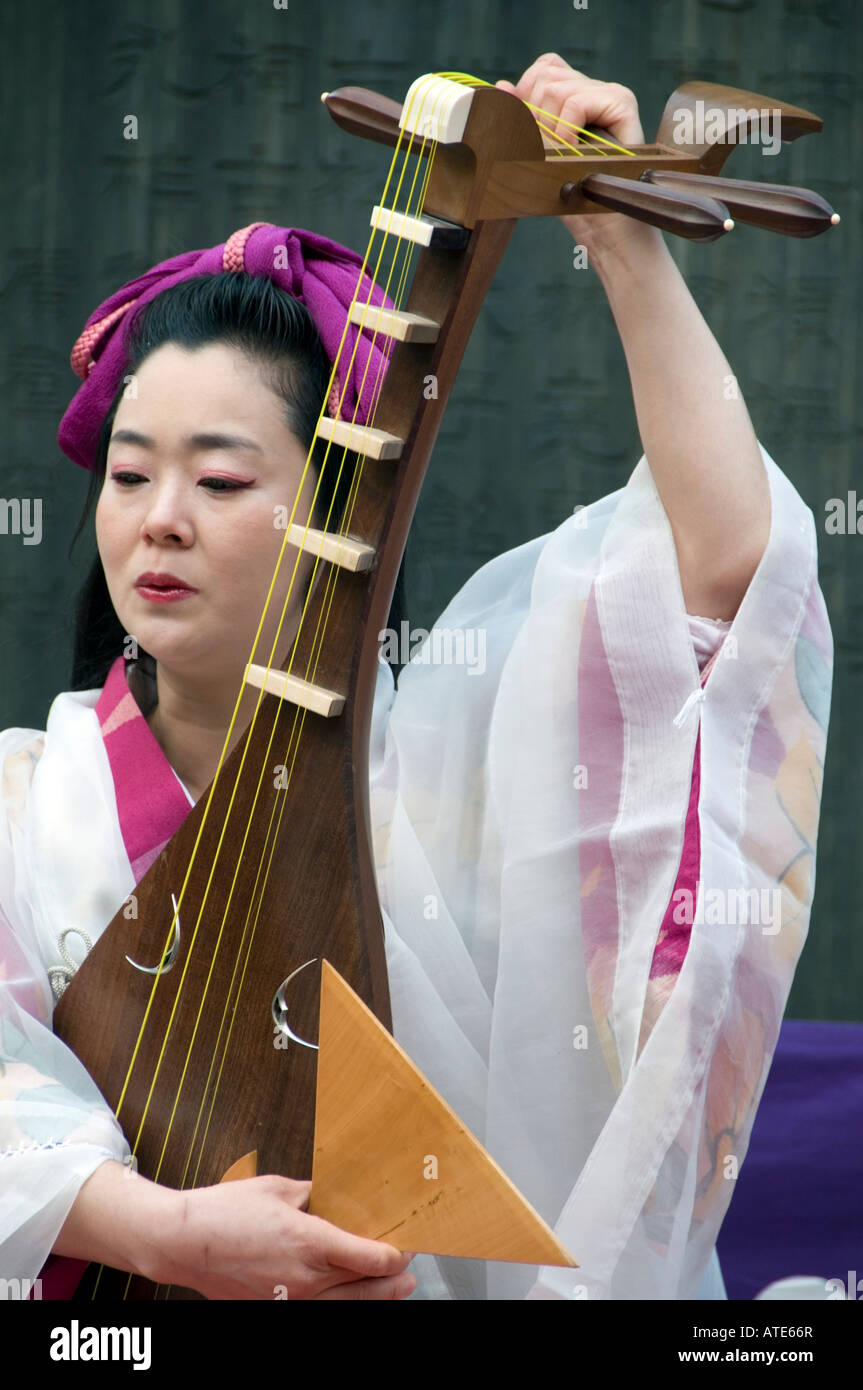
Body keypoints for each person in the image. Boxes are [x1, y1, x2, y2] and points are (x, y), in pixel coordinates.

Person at [0, 57, 832, 1301]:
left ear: (340, 509)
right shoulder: (23, 799)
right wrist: (169, 1235)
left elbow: (723, 586)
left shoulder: (443, 766)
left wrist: (616, 237)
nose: (158, 519)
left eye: (220, 481)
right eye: (129, 474)